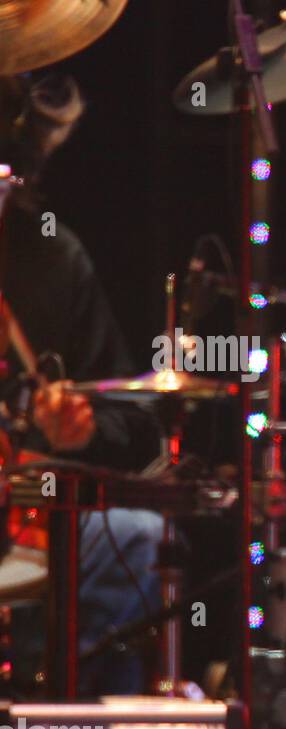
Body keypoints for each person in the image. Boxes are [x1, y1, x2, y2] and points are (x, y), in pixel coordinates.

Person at [0, 73, 163, 696]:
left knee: (140, 537)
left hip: (24, 522)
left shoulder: (49, 256)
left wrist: (82, 426)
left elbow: (131, 420)